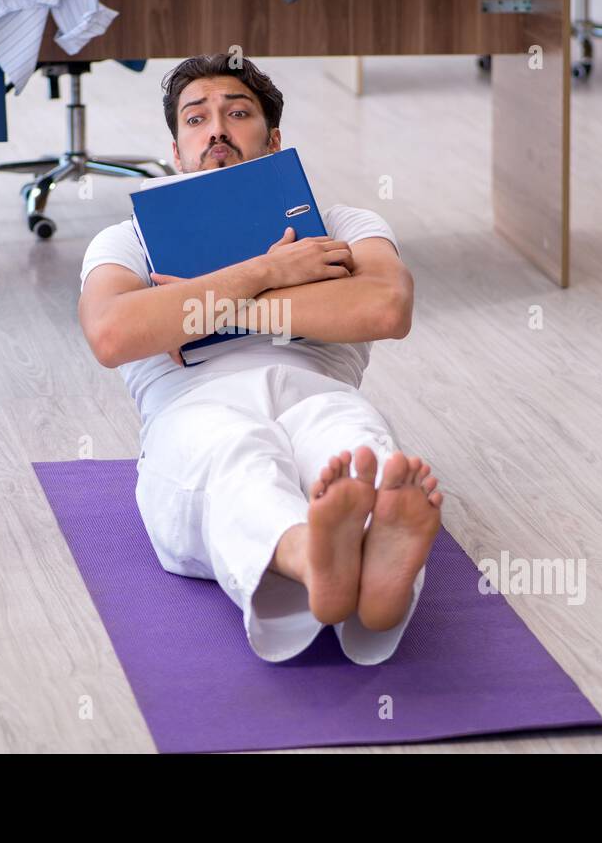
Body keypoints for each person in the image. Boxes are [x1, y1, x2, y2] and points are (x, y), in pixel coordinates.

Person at [77, 54, 443, 664]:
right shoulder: (126, 239)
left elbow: (385, 309)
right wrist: (274, 272)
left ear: (273, 142)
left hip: (318, 391)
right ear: (177, 151)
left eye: (236, 113)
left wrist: (206, 308)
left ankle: (380, 572)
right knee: (235, 457)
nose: (215, 128)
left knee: (353, 450)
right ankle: (315, 556)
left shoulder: (345, 222)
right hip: (195, 406)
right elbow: (114, 334)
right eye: (196, 118)